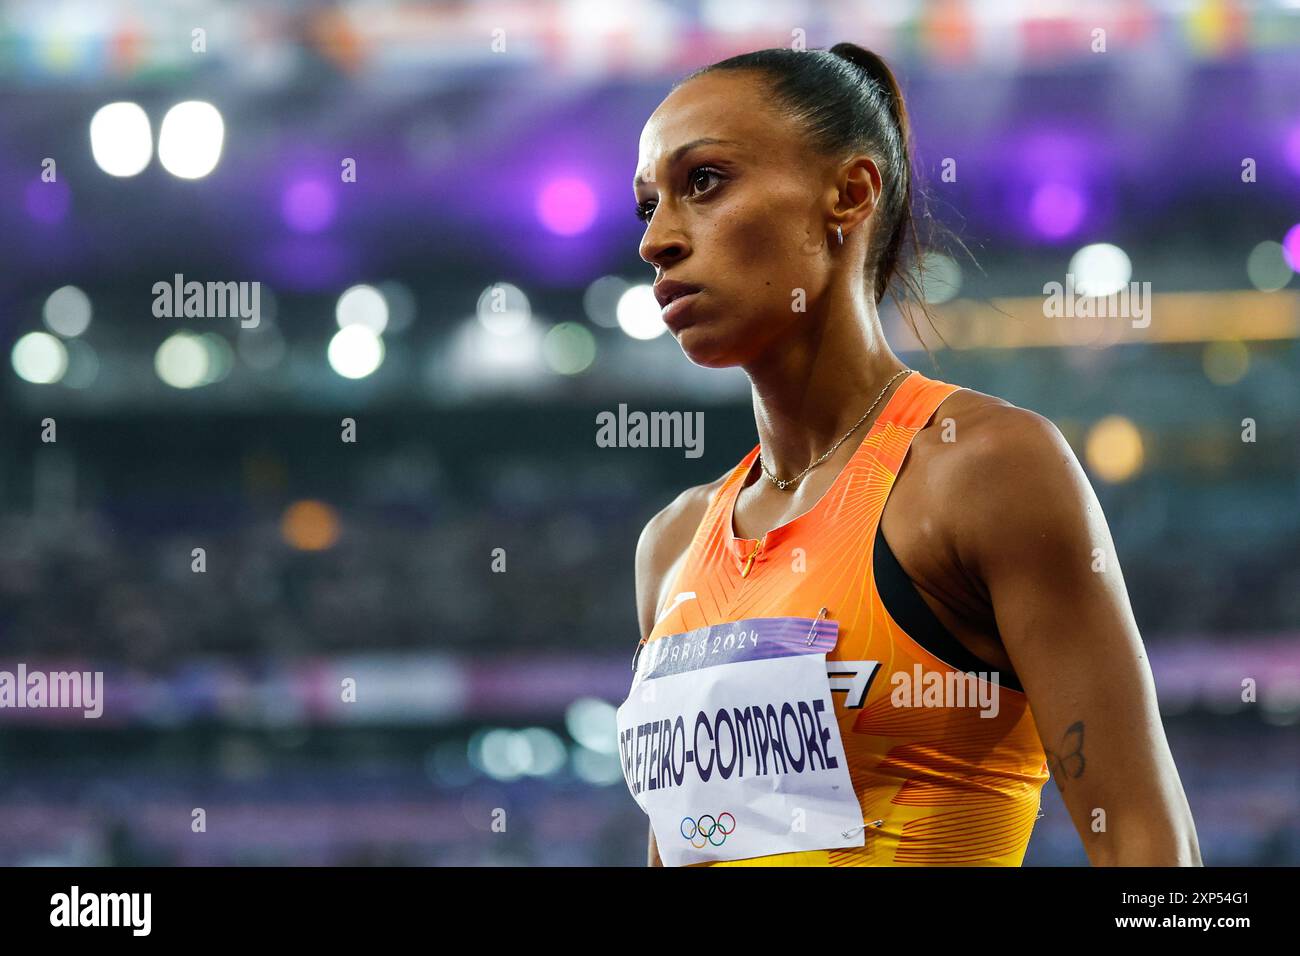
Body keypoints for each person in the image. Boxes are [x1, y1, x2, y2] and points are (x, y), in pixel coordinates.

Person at [622, 43, 1201, 866]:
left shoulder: (983, 470)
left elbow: (1152, 852)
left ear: (850, 194)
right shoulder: (672, 547)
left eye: (704, 183)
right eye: (646, 205)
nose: (656, 241)